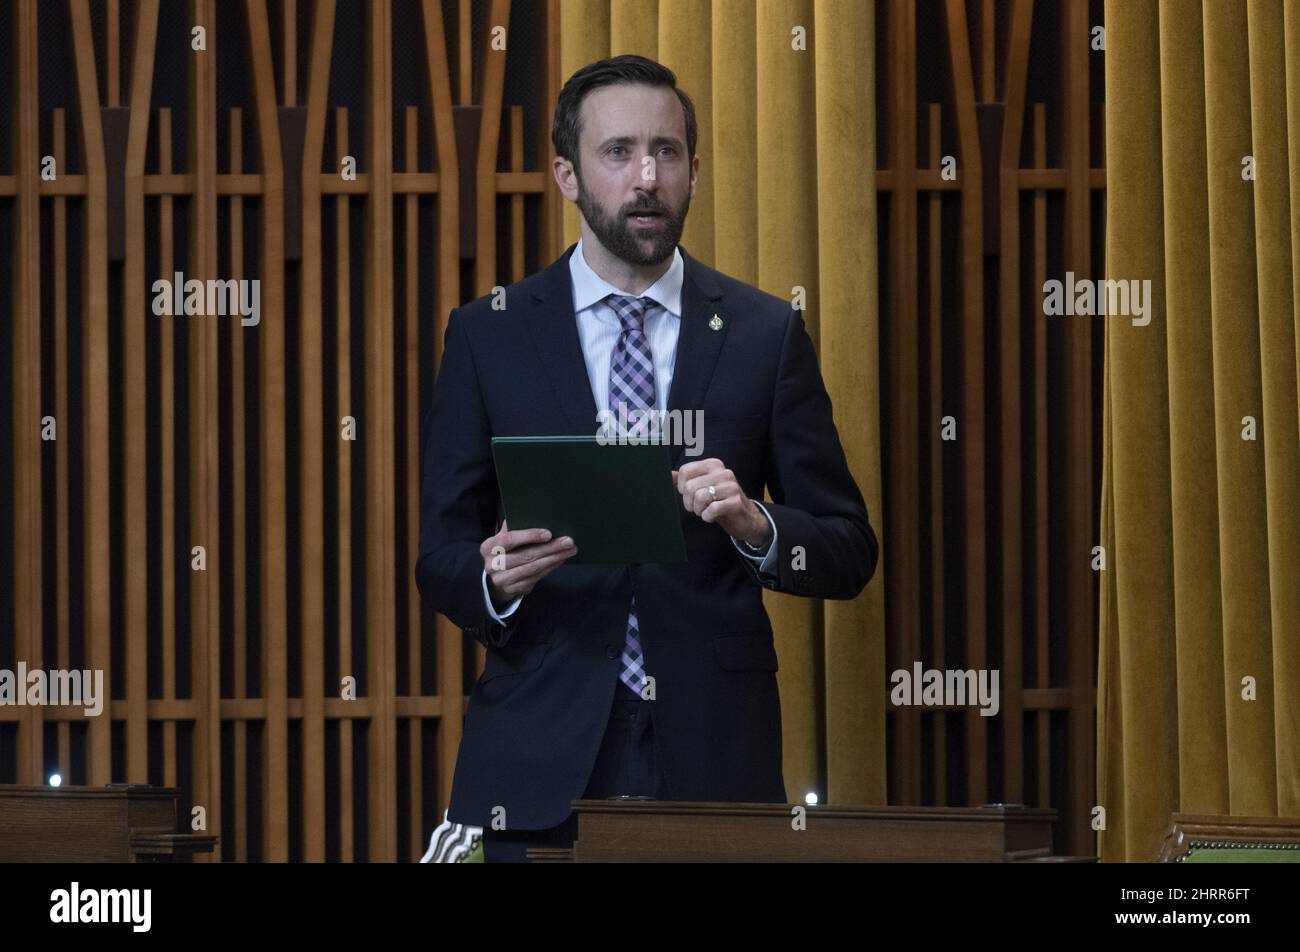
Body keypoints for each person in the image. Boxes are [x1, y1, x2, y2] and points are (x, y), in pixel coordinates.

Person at [416, 54, 878, 862]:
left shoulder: (765, 335)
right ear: (566, 173)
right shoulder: (488, 333)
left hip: (715, 760)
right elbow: (438, 556)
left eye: (666, 153)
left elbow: (847, 548)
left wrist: (755, 523)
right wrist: (491, 580)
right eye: (618, 151)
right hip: (534, 760)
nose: (645, 177)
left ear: (695, 170)